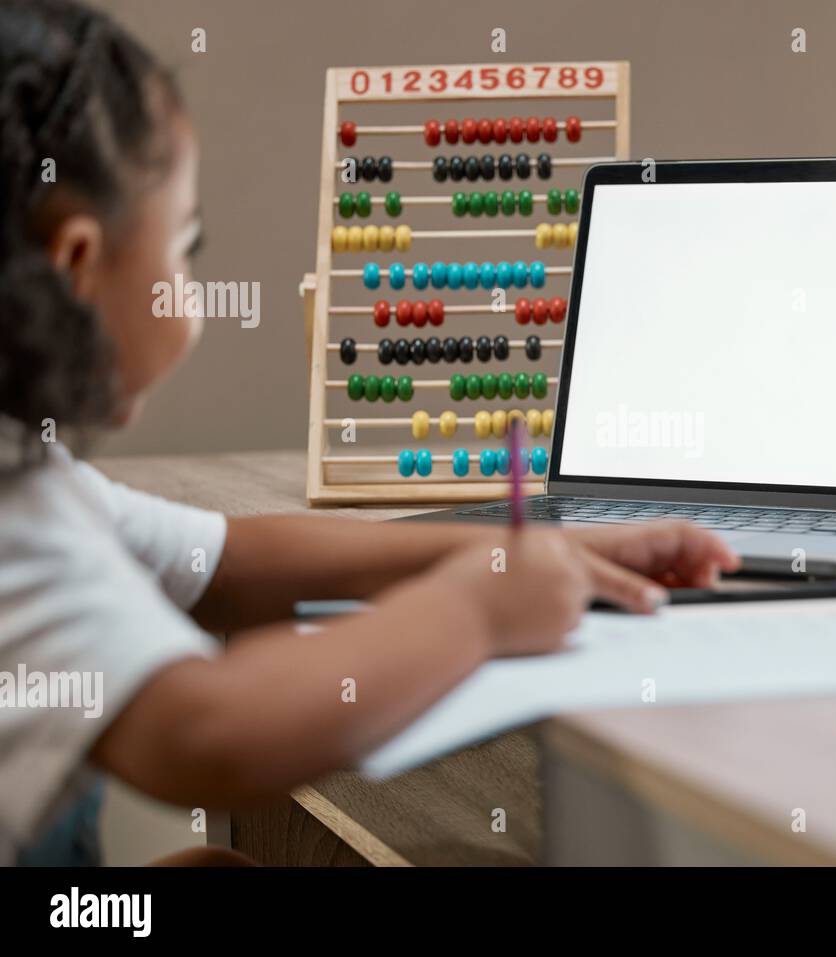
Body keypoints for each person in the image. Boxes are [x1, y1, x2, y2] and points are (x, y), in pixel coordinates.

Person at [0, 0, 738, 866]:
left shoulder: (35, 480)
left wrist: (537, 551)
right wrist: (478, 611)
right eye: (184, 250)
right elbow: (207, 733)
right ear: (77, 265)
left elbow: (223, 563)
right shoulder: (19, 523)